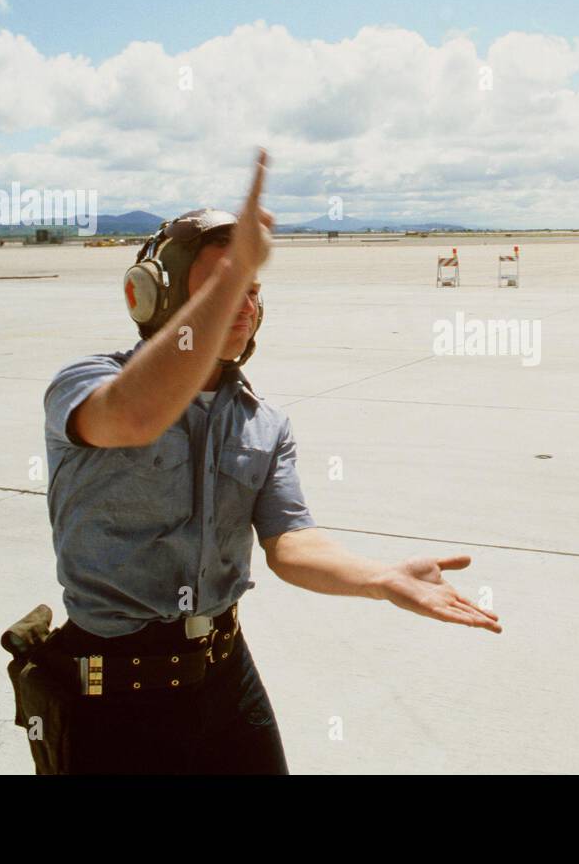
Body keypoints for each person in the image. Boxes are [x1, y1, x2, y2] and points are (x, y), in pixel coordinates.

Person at [38, 149, 501, 774]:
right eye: (222, 290)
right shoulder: (87, 384)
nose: (245, 305)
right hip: (113, 695)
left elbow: (290, 543)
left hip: (225, 677)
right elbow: (137, 416)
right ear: (158, 298)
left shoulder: (262, 421)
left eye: (253, 291)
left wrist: (378, 578)